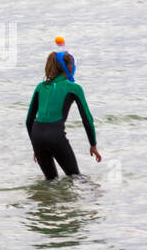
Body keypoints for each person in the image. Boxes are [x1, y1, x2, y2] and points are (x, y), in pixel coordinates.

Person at [25, 37, 101, 180]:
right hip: (55, 136)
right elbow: (87, 119)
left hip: (36, 136)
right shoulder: (74, 88)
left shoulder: (40, 87)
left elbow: (29, 120)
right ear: (70, 67)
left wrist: (35, 146)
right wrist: (93, 145)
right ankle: (94, 201)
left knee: (51, 181)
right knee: (76, 178)